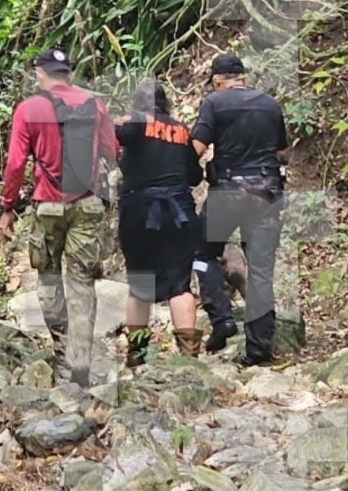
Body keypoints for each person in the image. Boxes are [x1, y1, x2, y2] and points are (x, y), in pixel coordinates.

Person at [0, 48, 118, 386]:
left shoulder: (29, 109)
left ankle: (63, 350)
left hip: (48, 206)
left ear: (40, 73)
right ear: (68, 73)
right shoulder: (95, 105)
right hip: (89, 205)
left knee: (48, 278)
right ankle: (81, 360)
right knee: (82, 282)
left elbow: (16, 164)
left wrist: (7, 208)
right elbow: (112, 151)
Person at [189, 53, 288, 367]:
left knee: (202, 255)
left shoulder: (215, 103)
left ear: (218, 80)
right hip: (266, 194)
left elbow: (196, 148)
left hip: (227, 194)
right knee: (260, 272)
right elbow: (280, 151)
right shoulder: (270, 104)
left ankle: (221, 317)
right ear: (242, 76)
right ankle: (258, 350)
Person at [113, 81, 205, 367]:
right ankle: (188, 361)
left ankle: (137, 356)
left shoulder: (136, 122)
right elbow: (194, 176)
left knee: (140, 285)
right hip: (179, 212)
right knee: (180, 284)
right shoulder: (180, 130)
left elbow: (111, 137)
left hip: (140, 213)